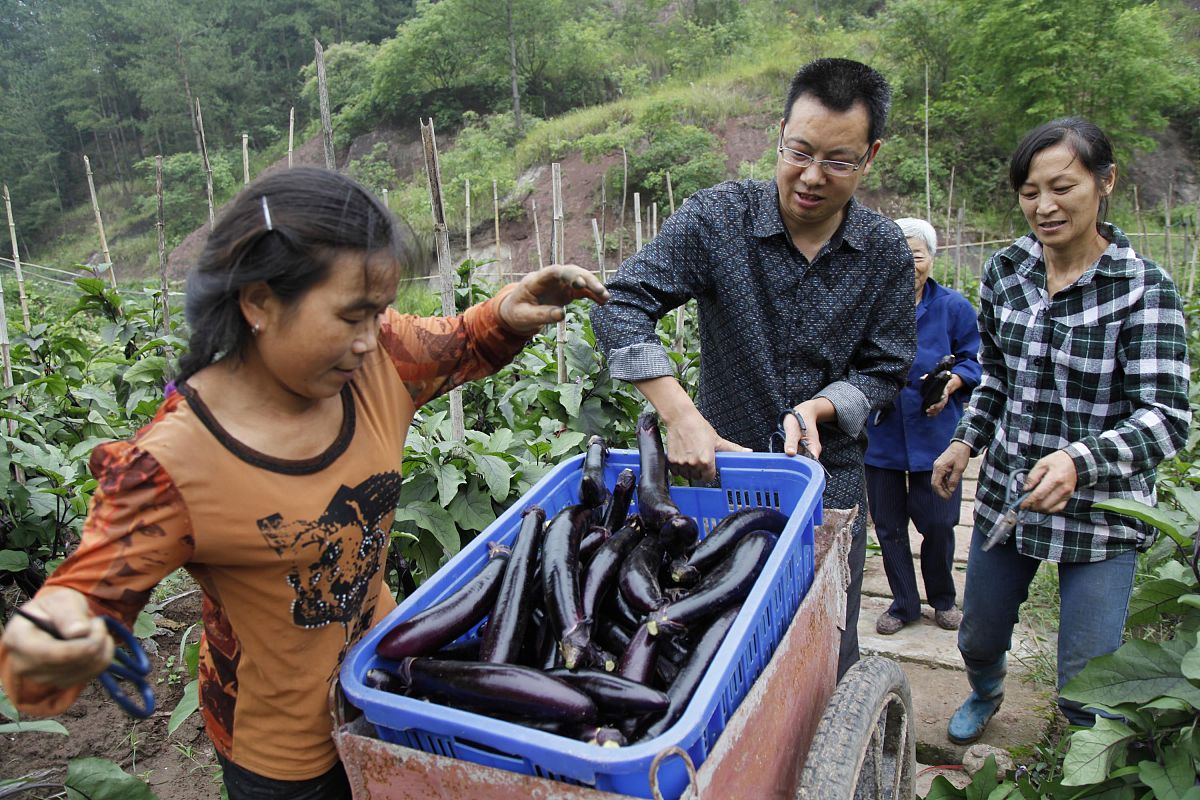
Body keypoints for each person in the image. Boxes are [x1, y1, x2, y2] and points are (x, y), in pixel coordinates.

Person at [0, 167, 609, 799]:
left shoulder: (380, 361)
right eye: (351, 316)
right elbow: (85, 600)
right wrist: (51, 638)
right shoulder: (172, 465)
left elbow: (459, 341)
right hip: (283, 756)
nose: (370, 338)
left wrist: (509, 311)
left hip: (384, 684)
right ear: (259, 301)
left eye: (378, 313)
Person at [591, 58, 916, 678]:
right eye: (799, 151)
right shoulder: (718, 219)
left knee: (824, 656)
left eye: (838, 161)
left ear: (870, 156)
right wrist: (680, 414)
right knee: (712, 646)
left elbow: (886, 368)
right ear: (780, 133)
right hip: (720, 481)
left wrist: (822, 406)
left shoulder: (884, 251)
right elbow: (622, 302)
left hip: (829, 489)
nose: (811, 177)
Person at [932, 118, 1190, 744]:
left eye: (1062, 187)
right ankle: (987, 691)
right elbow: (996, 374)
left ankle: (1078, 754)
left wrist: (1080, 460)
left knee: (1088, 671)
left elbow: (1166, 415)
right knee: (979, 632)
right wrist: (967, 440)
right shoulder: (1006, 271)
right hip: (1011, 490)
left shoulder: (1141, 288)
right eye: (1028, 191)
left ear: (1105, 184)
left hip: (1102, 508)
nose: (1043, 206)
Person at [866, 218, 980, 636]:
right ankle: (903, 605)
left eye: (916, 255)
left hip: (937, 438)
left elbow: (975, 361)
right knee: (890, 526)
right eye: (900, 255)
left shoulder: (953, 308)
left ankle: (944, 599)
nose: (909, 264)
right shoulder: (871, 308)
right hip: (882, 436)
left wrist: (954, 381)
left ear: (931, 258)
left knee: (939, 523)